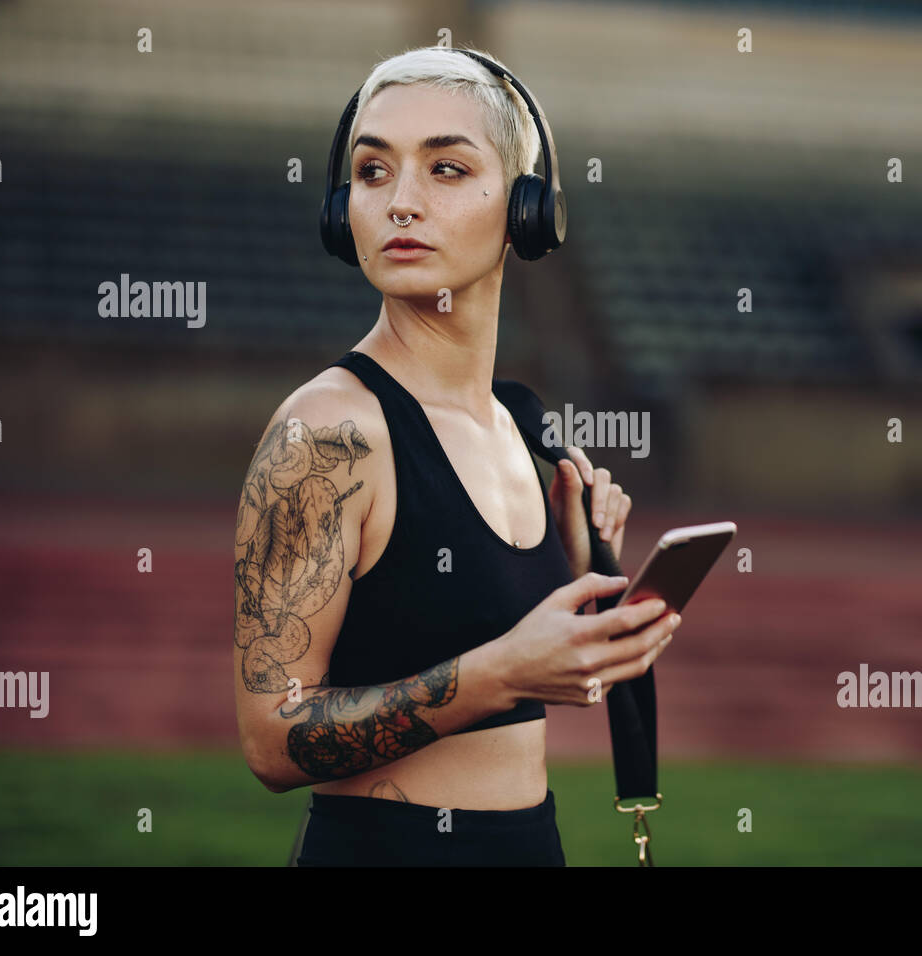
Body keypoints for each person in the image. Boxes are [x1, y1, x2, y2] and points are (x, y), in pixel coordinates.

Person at [231, 46, 679, 866]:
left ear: (528, 210)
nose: (401, 202)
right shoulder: (326, 432)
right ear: (343, 212)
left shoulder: (520, 425)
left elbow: (507, 658)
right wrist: (504, 670)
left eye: (445, 168)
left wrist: (587, 611)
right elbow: (270, 740)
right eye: (372, 172)